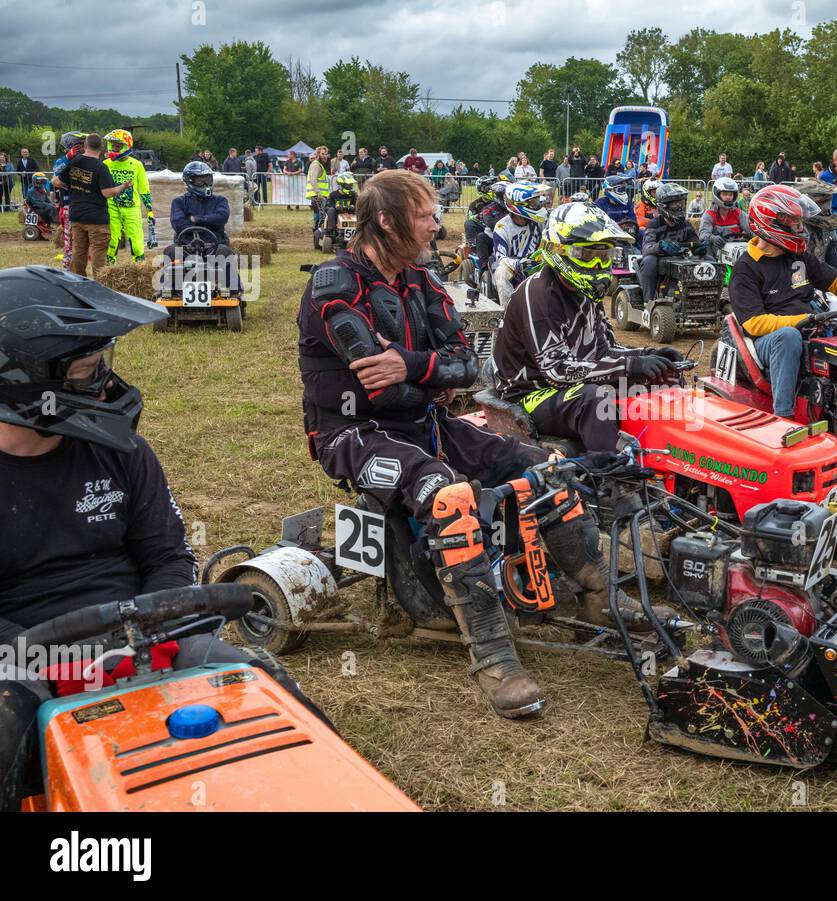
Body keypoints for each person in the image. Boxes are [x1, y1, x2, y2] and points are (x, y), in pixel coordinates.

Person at [0, 266, 333, 810]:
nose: (107, 384)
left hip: (142, 631)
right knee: (8, 725)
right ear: (24, 380)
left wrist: (152, 629)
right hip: (23, 653)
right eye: (87, 372)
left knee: (257, 680)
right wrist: (58, 657)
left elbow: (166, 554)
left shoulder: (121, 450)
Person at [298, 169, 605, 718]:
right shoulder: (333, 284)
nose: (437, 225)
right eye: (425, 215)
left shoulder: (422, 281)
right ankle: (493, 656)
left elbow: (471, 364)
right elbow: (377, 378)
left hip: (425, 423)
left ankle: (597, 595)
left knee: (547, 463)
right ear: (387, 221)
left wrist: (414, 365)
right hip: (353, 433)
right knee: (447, 494)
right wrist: (430, 374)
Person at [492, 201, 682, 455]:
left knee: (664, 379)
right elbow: (558, 372)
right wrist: (631, 365)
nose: (598, 266)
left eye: (604, 257)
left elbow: (606, 349)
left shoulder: (586, 293)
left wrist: (648, 356)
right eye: (589, 256)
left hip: (571, 384)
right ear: (561, 250)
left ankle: (671, 458)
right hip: (530, 394)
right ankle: (614, 479)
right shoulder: (537, 294)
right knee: (593, 398)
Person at [727, 185, 837, 418]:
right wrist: (802, 321)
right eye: (795, 223)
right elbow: (754, 323)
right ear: (772, 223)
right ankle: (783, 417)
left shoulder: (799, 256)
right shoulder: (746, 268)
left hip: (809, 325)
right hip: (767, 343)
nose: (802, 229)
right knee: (788, 337)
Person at [54, 133, 131, 278]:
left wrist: (73, 185)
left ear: (84, 146)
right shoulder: (101, 167)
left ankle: (77, 280)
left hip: (77, 215)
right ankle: (100, 282)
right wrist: (123, 186)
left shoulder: (74, 162)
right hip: (97, 218)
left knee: (79, 250)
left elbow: (56, 182)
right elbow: (108, 193)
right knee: (98, 251)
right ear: (101, 148)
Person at [163, 161, 239, 295]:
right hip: (186, 247)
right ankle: (167, 292)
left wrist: (197, 219)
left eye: (207, 179)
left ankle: (233, 293)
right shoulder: (179, 202)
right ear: (189, 181)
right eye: (200, 180)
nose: (205, 184)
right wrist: (209, 220)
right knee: (170, 251)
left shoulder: (220, 200)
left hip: (214, 246)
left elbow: (221, 217)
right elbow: (178, 223)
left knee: (226, 253)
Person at [491, 181, 552, 304]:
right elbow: (500, 259)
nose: (538, 205)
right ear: (519, 204)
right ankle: (507, 313)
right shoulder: (502, 226)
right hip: (513, 268)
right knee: (501, 272)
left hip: (536, 265)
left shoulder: (539, 222)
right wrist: (518, 264)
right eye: (534, 202)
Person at [637, 182, 697, 303]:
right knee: (649, 261)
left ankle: (704, 298)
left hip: (681, 260)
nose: (680, 207)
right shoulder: (654, 224)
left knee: (707, 257)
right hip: (660, 261)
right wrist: (660, 246)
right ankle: (648, 301)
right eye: (675, 204)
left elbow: (695, 242)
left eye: (681, 203)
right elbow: (646, 248)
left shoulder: (686, 224)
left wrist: (700, 247)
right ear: (663, 205)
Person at [102, 129, 153, 264]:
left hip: (132, 208)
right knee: (112, 238)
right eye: (112, 145)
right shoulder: (105, 164)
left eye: (118, 145)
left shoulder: (137, 165)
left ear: (126, 145)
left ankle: (140, 266)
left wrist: (150, 211)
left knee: (136, 240)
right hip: (111, 206)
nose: (114, 148)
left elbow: (144, 189)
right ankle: (109, 266)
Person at [796, 178, 837, 283]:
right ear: (809, 204)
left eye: (829, 202)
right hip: (799, 286)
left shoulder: (827, 230)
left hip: (822, 282)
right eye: (824, 203)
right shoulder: (797, 230)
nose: (828, 208)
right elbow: (796, 271)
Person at [464, 175, 509, 284]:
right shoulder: (480, 206)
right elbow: (489, 222)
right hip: (488, 231)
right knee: (475, 229)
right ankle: (482, 264)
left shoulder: (510, 206)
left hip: (508, 234)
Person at [51, 132, 87, 271]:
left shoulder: (85, 159)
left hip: (84, 203)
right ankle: (67, 267)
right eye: (79, 145)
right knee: (69, 239)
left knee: (82, 240)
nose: (81, 148)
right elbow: (55, 174)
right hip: (69, 204)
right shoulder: (63, 160)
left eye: (82, 145)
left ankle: (78, 266)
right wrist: (68, 157)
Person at [697, 176, 750, 255]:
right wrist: (713, 238)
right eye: (724, 194)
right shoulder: (709, 214)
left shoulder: (738, 213)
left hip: (737, 253)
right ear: (717, 195)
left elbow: (752, 228)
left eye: (730, 194)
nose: (728, 197)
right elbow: (703, 234)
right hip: (715, 254)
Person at [594, 173, 639, 243]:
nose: (623, 192)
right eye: (620, 190)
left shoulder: (628, 204)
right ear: (609, 190)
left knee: (642, 234)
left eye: (624, 189)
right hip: (606, 239)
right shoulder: (599, 204)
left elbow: (634, 222)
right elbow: (596, 225)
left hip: (626, 238)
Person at [323, 171, 359, 238]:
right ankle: (331, 232)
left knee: (361, 210)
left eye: (351, 184)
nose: (350, 186)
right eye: (348, 185)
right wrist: (335, 207)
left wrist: (354, 207)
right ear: (341, 185)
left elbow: (359, 205)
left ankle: (360, 230)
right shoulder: (333, 195)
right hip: (336, 217)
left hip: (350, 215)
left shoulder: (353, 195)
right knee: (331, 210)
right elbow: (327, 207)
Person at [305, 146, 330, 231]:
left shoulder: (318, 165)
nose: (325, 156)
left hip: (317, 196)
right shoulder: (316, 165)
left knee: (317, 215)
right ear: (317, 154)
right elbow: (313, 179)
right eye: (322, 154)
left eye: (326, 154)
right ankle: (318, 234)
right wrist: (318, 192)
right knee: (322, 216)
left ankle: (316, 232)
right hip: (318, 196)